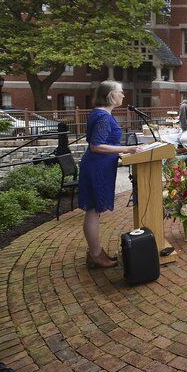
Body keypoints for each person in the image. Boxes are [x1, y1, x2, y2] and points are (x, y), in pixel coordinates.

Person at [78, 81, 142, 268]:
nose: (123, 95)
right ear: (110, 95)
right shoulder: (103, 117)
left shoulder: (101, 114)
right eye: (120, 92)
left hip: (99, 165)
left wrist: (120, 151)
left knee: (94, 210)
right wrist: (127, 149)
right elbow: (96, 146)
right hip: (97, 167)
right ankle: (95, 255)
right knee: (93, 210)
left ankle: (95, 252)